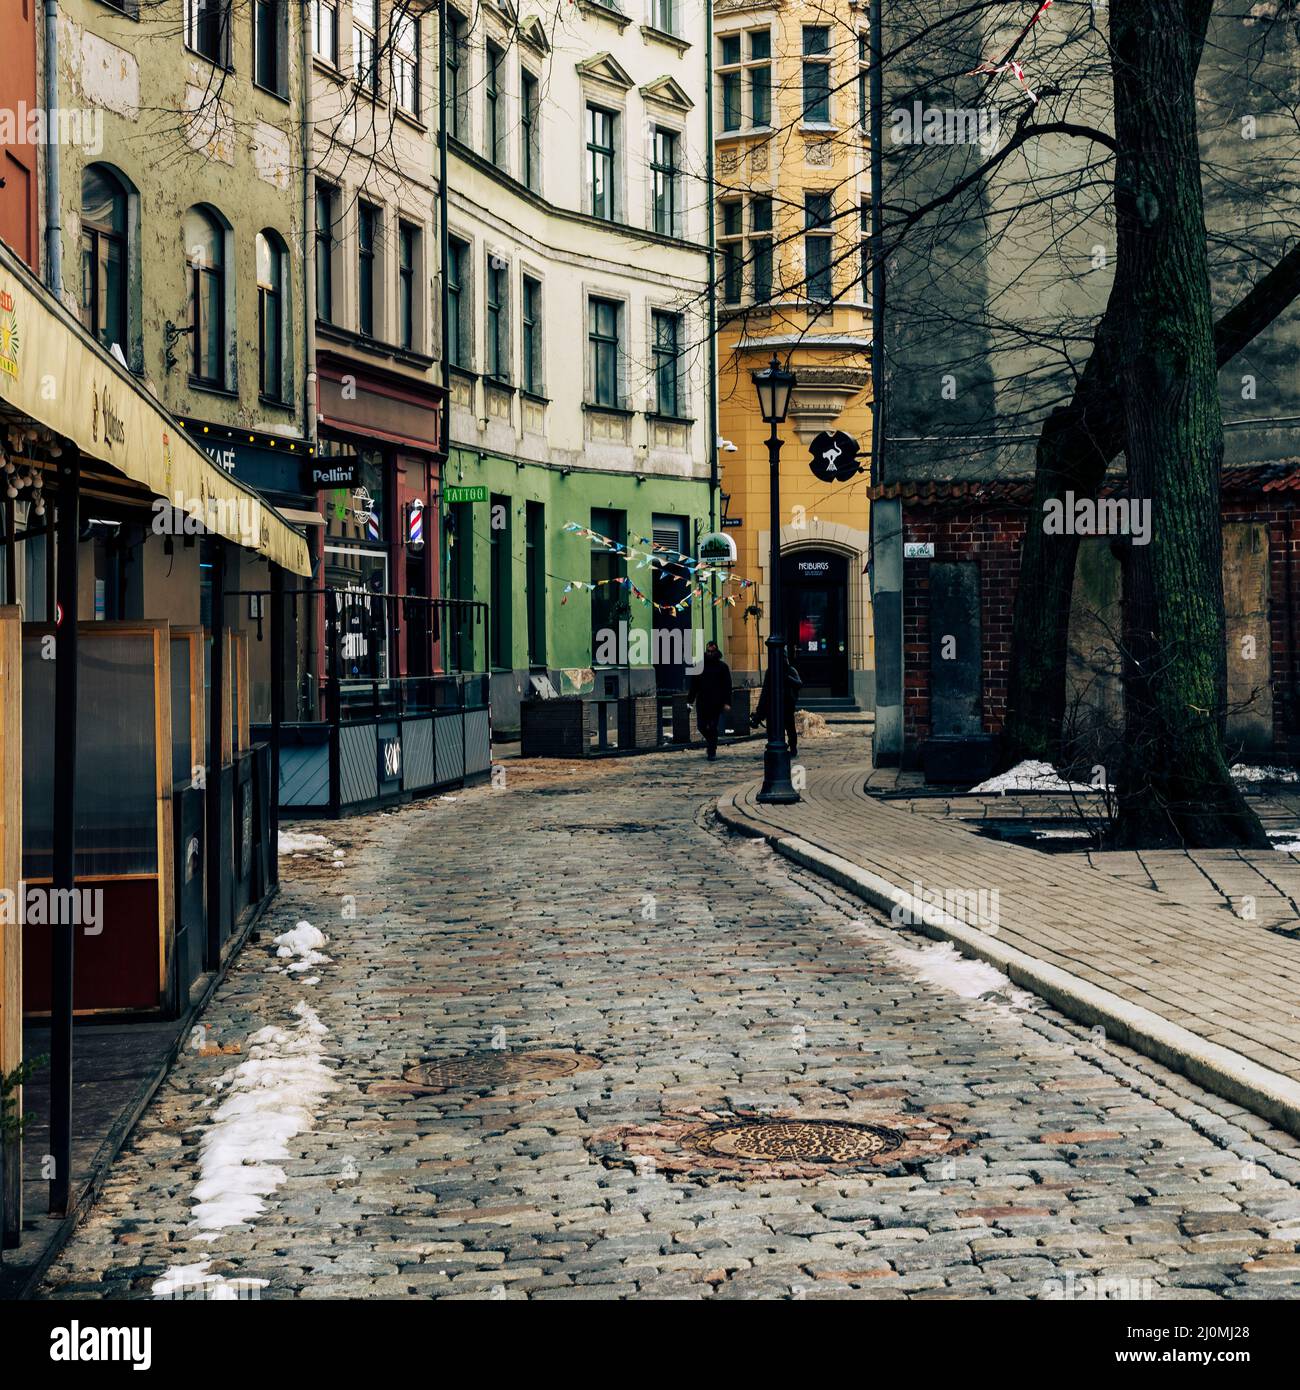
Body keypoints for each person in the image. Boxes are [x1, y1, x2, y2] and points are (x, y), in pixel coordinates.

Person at [755, 645, 803, 756]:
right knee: (772, 728)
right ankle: (774, 745)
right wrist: (760, 712)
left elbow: (799, 683)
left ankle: (792, 747)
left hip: (787, 704)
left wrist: (786, 678)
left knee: (790, 727)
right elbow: (765, 691)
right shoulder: (770, 671)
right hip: (772, 705)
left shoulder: (790, 670)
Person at [688, 640, 732, 760]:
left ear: (716, 651)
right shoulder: (700, 666)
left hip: (716, 703)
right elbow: (694, 685)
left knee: (712, 726)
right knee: (701, 726)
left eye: (712, 651)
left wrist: (727, 702)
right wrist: (689, 701)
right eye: (708, 651)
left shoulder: (722, 667)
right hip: (702, 702)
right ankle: (712, 742)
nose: (710, 653)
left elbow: (727, 686)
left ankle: (712, 750)